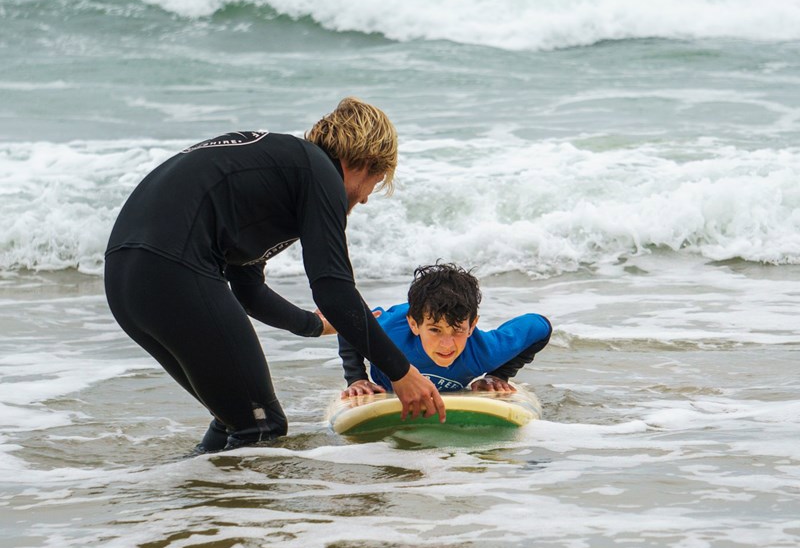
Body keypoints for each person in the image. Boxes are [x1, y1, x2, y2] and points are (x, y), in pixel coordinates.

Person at [104, 97, 446, 453]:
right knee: (261, 424)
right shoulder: (319, 173)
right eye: (373, 184)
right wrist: (402, 373)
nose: (363, 201)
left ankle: (197, 499)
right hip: (171, 270)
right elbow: (333, 288)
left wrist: (313, 326)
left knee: (237, 416)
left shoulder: (279, 176)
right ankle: (226, 505)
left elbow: (248, 288)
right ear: (364, 161)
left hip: (125, 280)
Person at [339, 262, 552, 397]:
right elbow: (345, 320)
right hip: (398, 319)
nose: (447, 344)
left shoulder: (483, 351)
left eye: (458, 330)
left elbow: (540, 325)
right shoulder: (389, 335)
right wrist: (357, 377)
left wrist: (499, 375)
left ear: (472, 326)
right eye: (435, 330)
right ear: (414, 325)